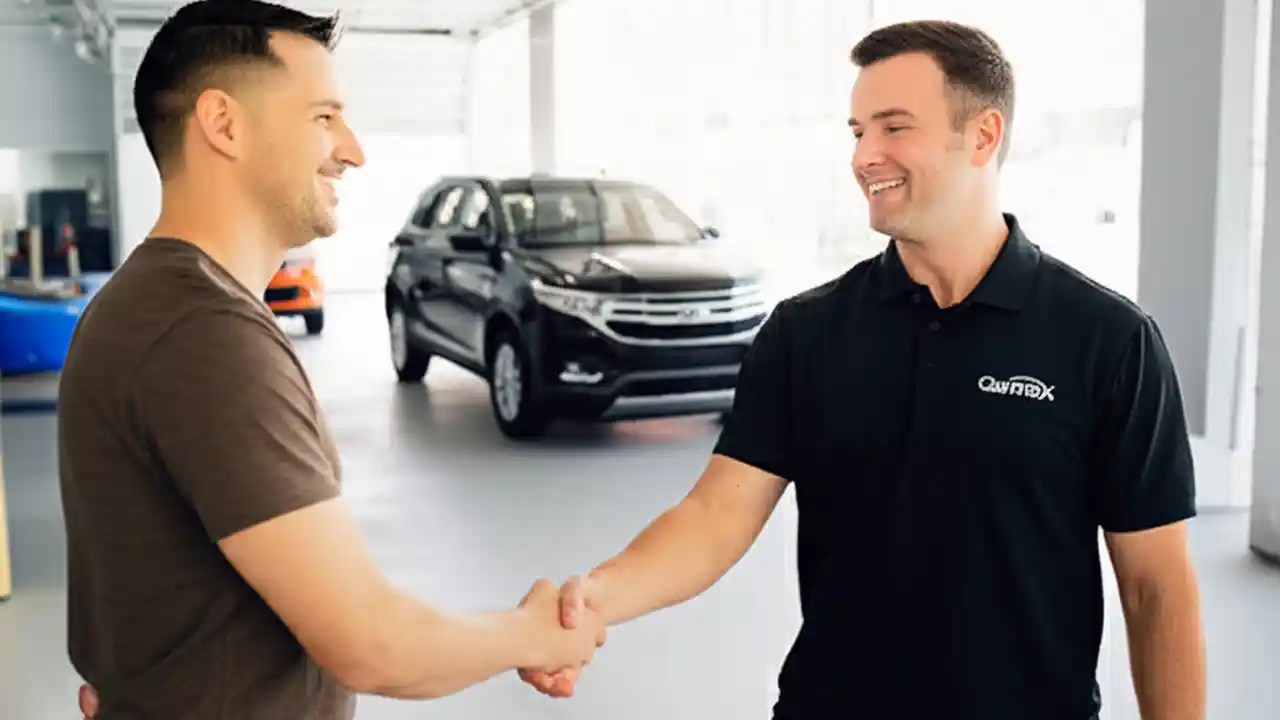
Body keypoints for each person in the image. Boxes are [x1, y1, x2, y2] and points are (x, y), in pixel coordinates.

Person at [521, 19, 1207, 720]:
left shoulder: (1107, 340)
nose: (864, 156)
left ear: (983, 135)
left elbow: (1155, 587)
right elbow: (712, 519)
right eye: (856, 131)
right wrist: (595, 598)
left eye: (893, 127)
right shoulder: (806, 332)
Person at [59, 2, 602, 718]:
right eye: (323, 117)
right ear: (224, 125)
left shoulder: (157, 303)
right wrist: (534, 636)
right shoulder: (202, 332)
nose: (352, 149)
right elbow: (372, 643)